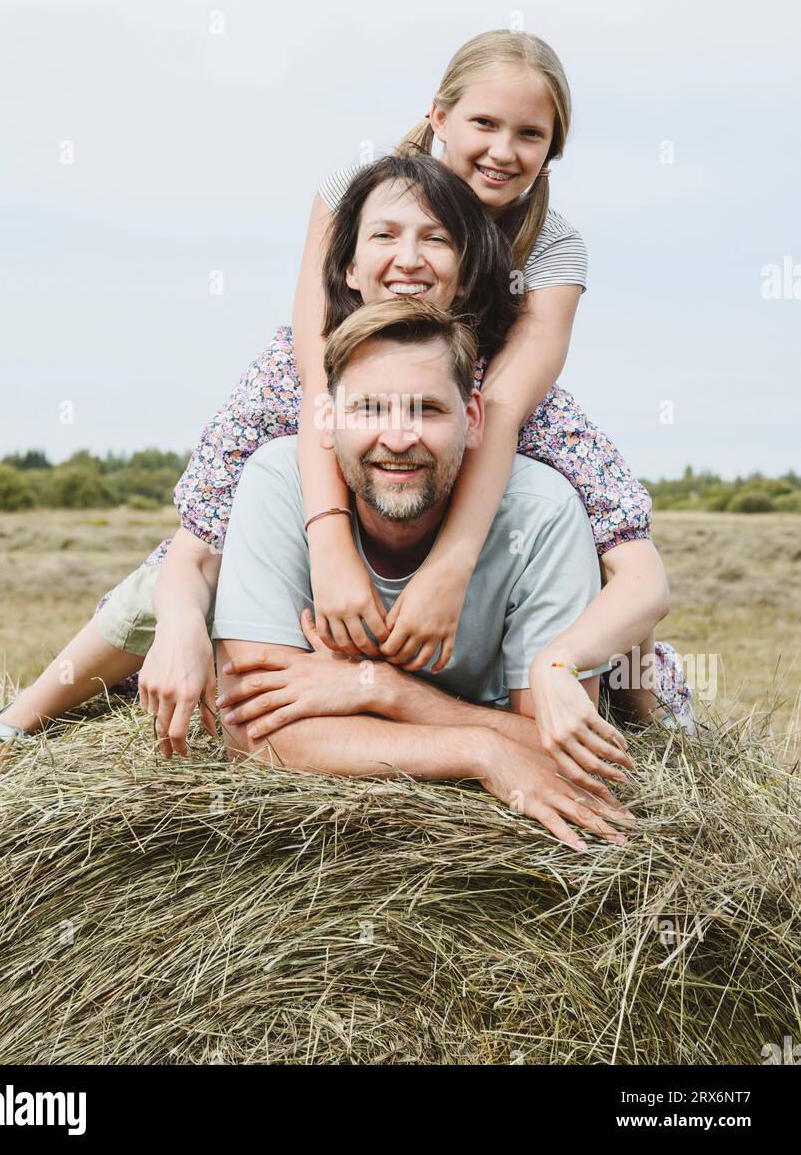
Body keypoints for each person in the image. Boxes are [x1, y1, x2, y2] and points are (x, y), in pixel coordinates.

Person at [0, 151, 690, 807]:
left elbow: (634, 572)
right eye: (386, 237)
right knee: (167, 579)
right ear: (349, 268)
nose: (410, 258)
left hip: (508, 624)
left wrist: (385, 684)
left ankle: (657, 740)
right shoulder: (287, 396)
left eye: (437, 239)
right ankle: (3, 735)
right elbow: (204, 577)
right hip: (268, 563)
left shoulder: (525, 413)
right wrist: (191, 619)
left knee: (613, 610)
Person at [212, 294, 638, 855]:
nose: (398, 438)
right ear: (326, 418)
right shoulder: (276, 483)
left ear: (474, 419)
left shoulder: (545, 514)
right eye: (369, 409)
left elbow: (559, 746)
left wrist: (386, 691)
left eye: (428, 410)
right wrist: (480, 751)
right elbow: (253, 733)